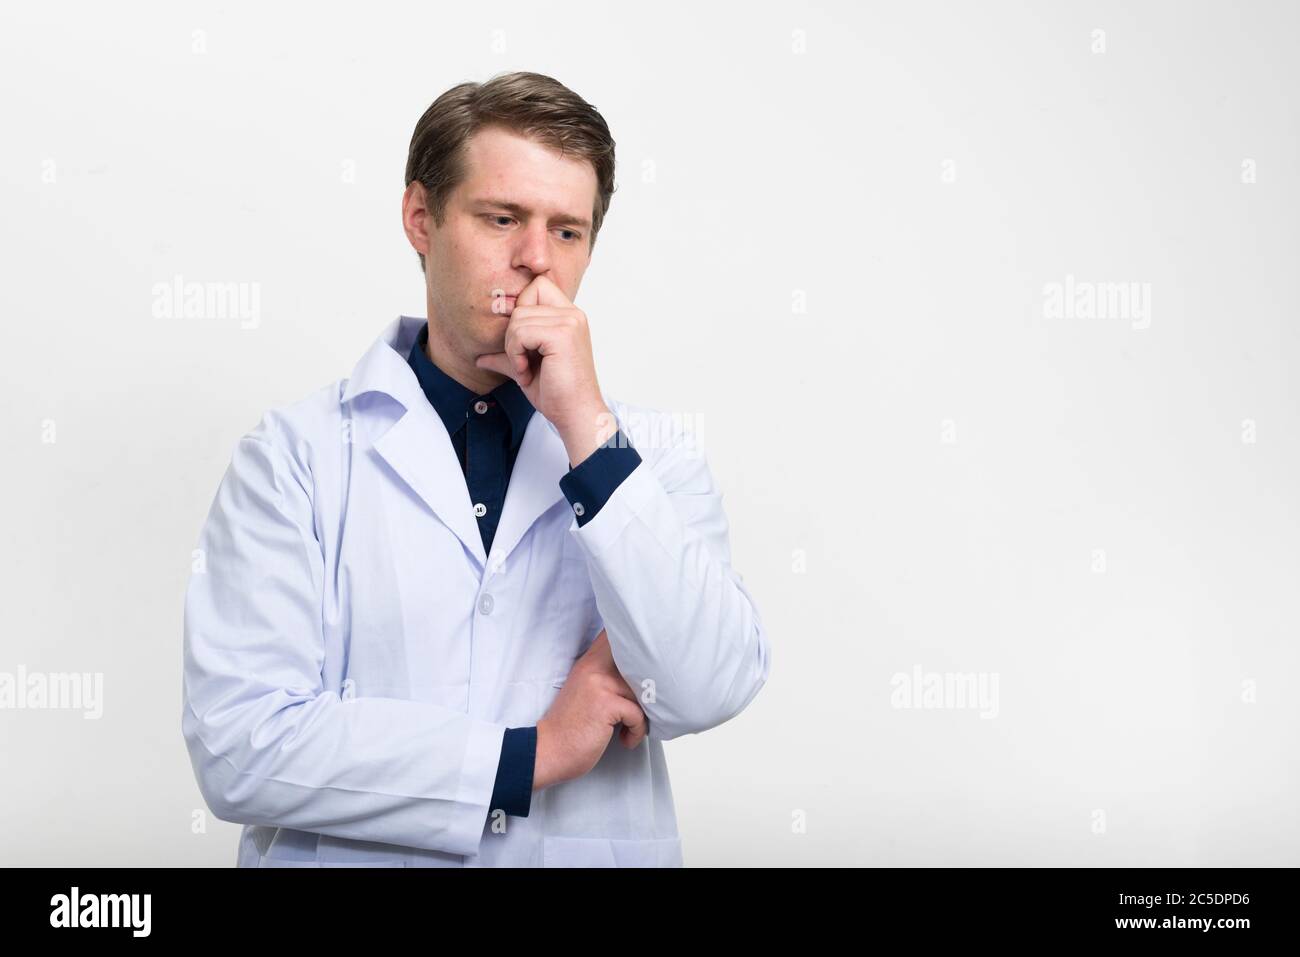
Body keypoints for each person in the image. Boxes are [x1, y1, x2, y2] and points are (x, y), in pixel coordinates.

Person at [181, 71, 771, 868]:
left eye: (568, 231)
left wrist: (588, 431)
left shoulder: (648, 458)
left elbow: (708, 684)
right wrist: (525, 757)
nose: (537, 261)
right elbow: (242, 745)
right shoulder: (295, 458)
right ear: (420, 218)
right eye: (503, 218)